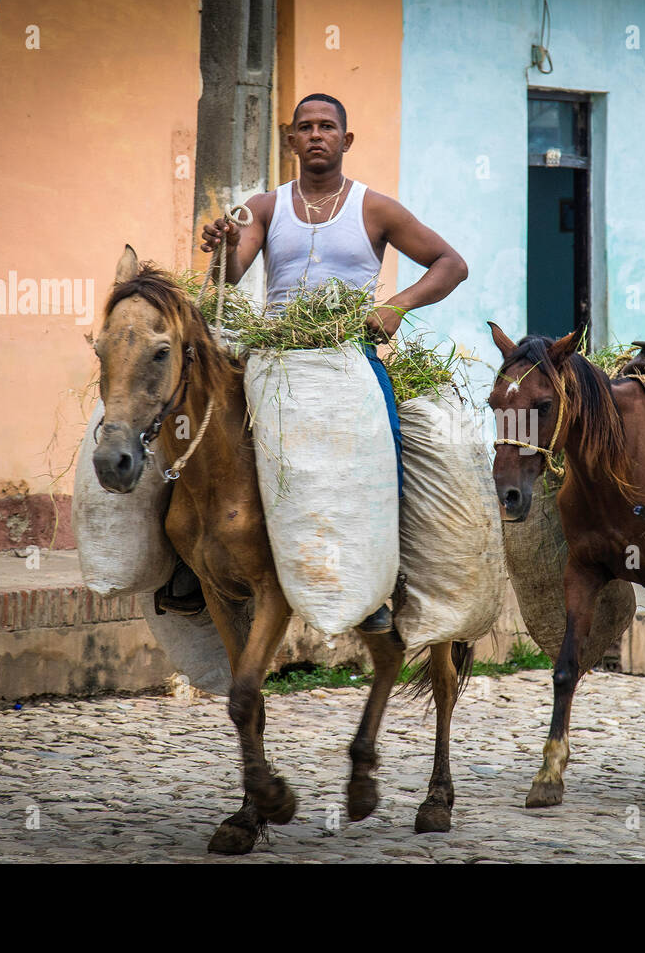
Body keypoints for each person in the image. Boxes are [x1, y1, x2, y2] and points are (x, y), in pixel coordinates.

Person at [199, 92, 469, 635]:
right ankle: (190, 566)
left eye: (327, 126)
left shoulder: (375, 209)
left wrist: (397, 306)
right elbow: (230, 275)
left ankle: (383, 581)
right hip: (275, 355)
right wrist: (223, 245)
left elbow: (451, 264)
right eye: (305, 127)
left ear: (346, 140)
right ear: (291, 141)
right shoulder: (265, 207)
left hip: (349, 355)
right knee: (204, 432)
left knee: (390, 445)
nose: (316, 135)